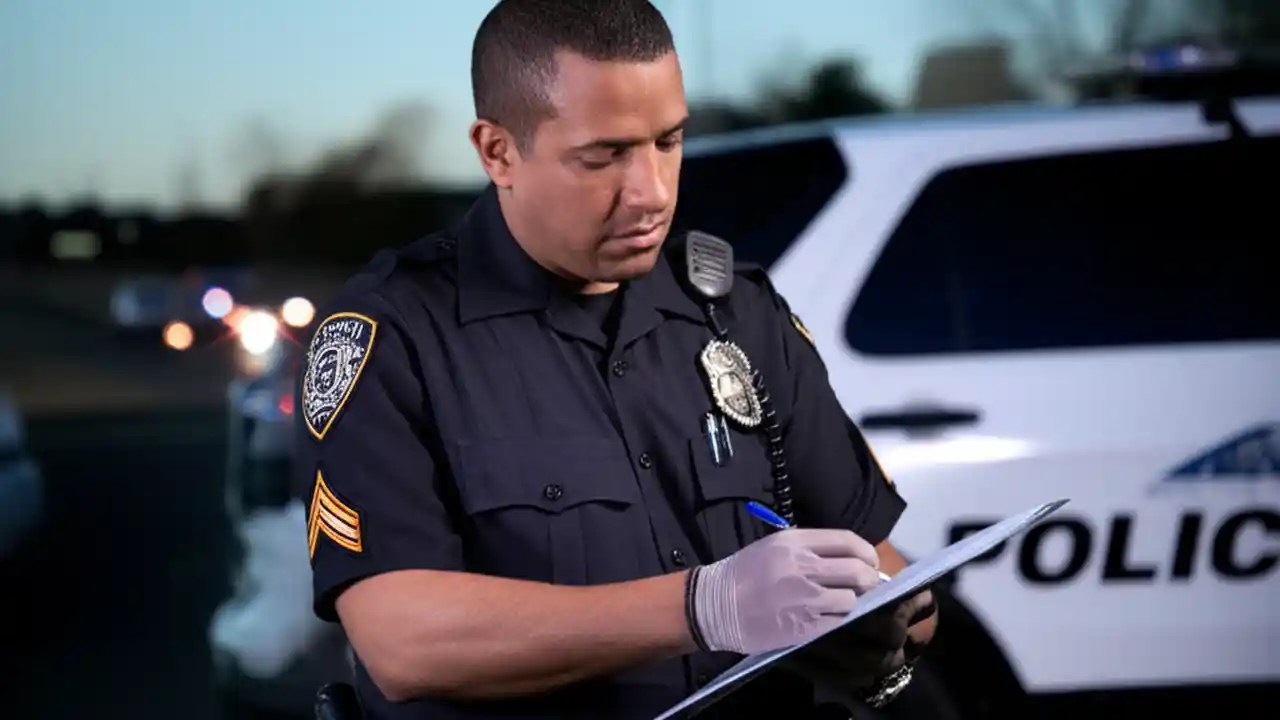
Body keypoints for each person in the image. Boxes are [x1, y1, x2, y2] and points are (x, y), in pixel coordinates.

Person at [295, 1, 937, 718]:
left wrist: (881, 618)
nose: (652, 193)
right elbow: (402, 640)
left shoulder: (737, 312)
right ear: (497, 151)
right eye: (604, 156)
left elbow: (881, 560)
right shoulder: (394, 336)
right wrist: (705, 606)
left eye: (668, 142)